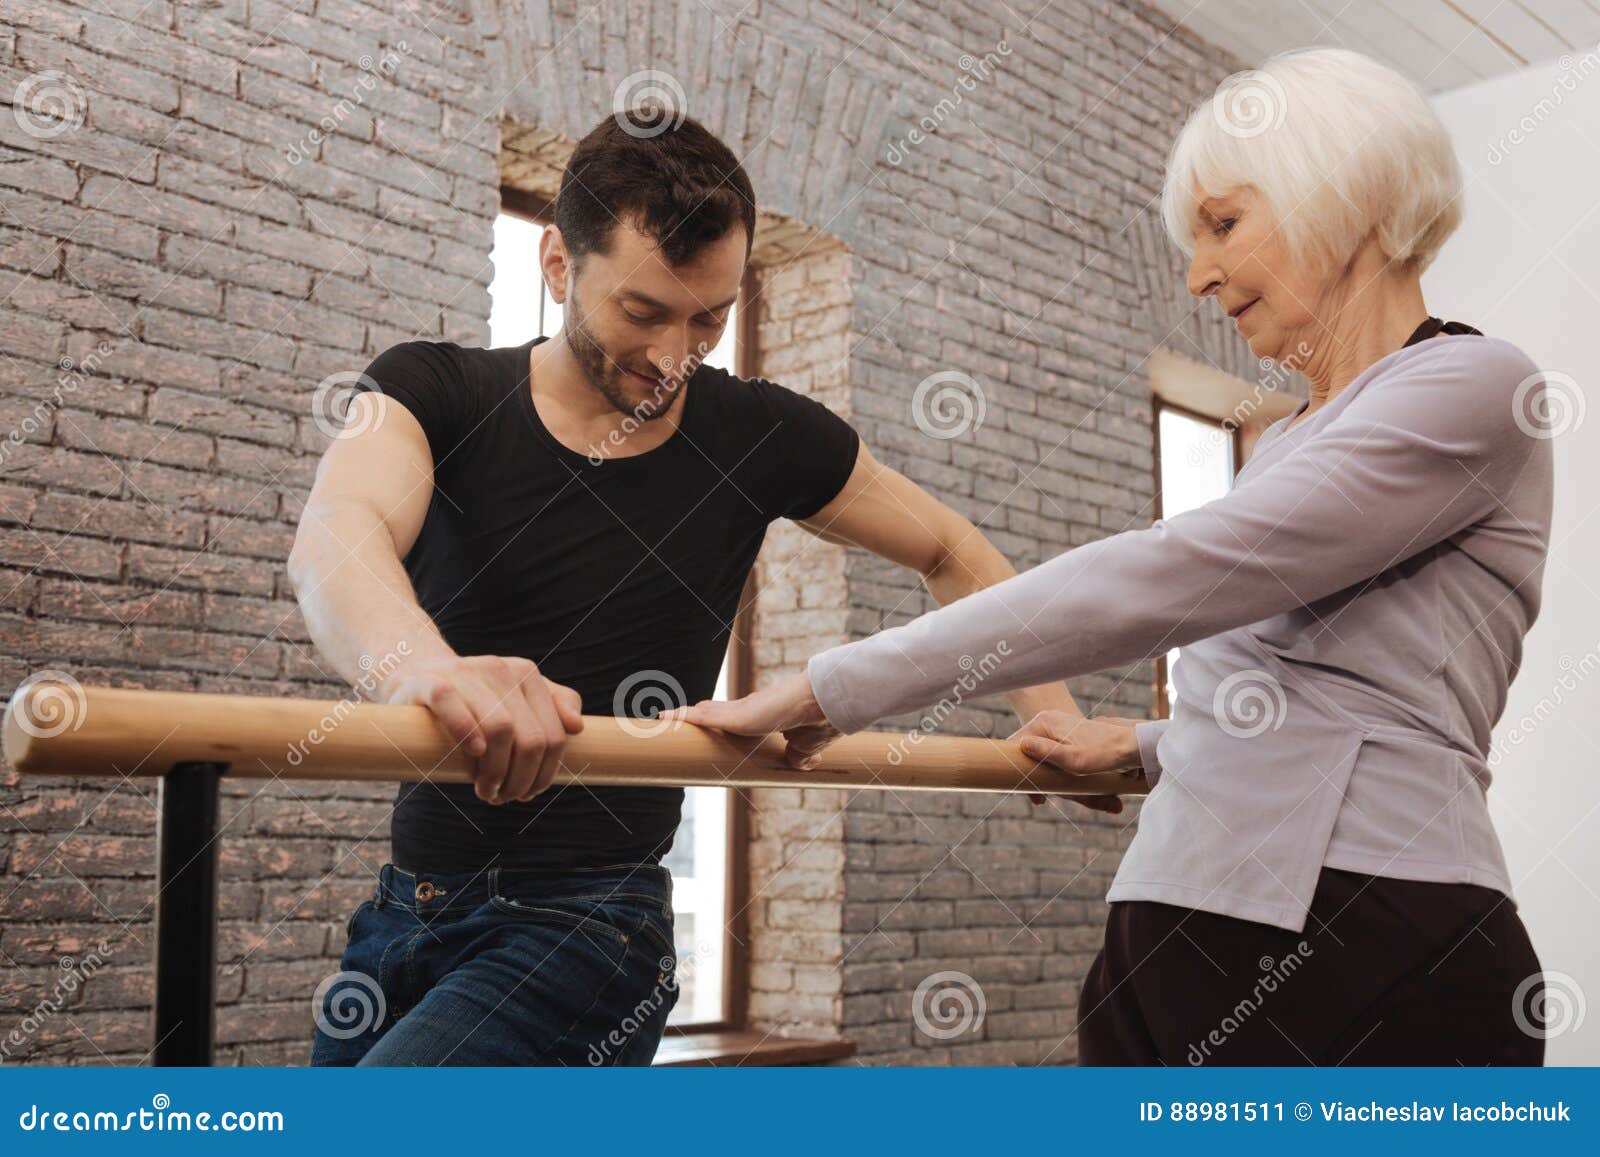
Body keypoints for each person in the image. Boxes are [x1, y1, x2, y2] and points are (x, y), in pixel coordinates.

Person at [666, 49, 1553, 1065]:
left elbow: (1174, 573)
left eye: (1223, 224)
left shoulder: (1474, 388)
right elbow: (1322, 689)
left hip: (1367, 932)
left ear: (1343, 197)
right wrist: (1143, 744)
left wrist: (823, 687)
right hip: (1178, 917)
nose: (1197, 274)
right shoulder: (1293, 436)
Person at [292, 109, 1093, 1066]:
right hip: (403, 909)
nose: (677, 354)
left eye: (709, 318)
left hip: (589, 926)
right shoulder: (437, 390)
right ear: (557, 263)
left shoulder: (759, 434)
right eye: (644, 313)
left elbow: (951, 548)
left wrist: (1060, 719)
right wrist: (425, 672)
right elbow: (339, 537)